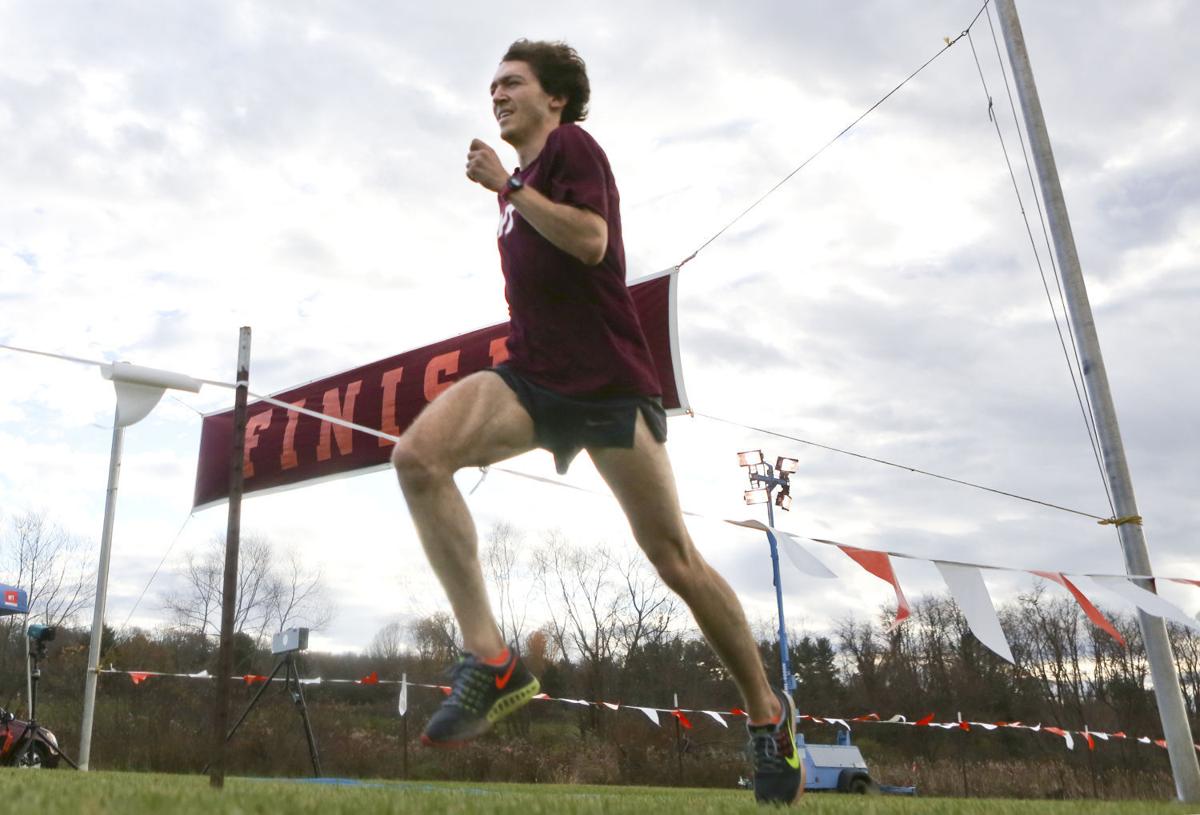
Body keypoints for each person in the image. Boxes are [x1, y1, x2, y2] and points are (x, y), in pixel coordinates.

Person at [391, 39, 804, 805]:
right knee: (418, 458)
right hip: (535, 378)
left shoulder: (571, 149)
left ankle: (766, 714)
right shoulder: (511, 201)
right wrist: (509, 195)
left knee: (674, 559)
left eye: (512, 83)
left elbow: (591, 241)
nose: (497, 95)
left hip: (610, 385)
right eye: (492, 86)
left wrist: (510, 185)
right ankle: (491, 661)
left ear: (555, 98)